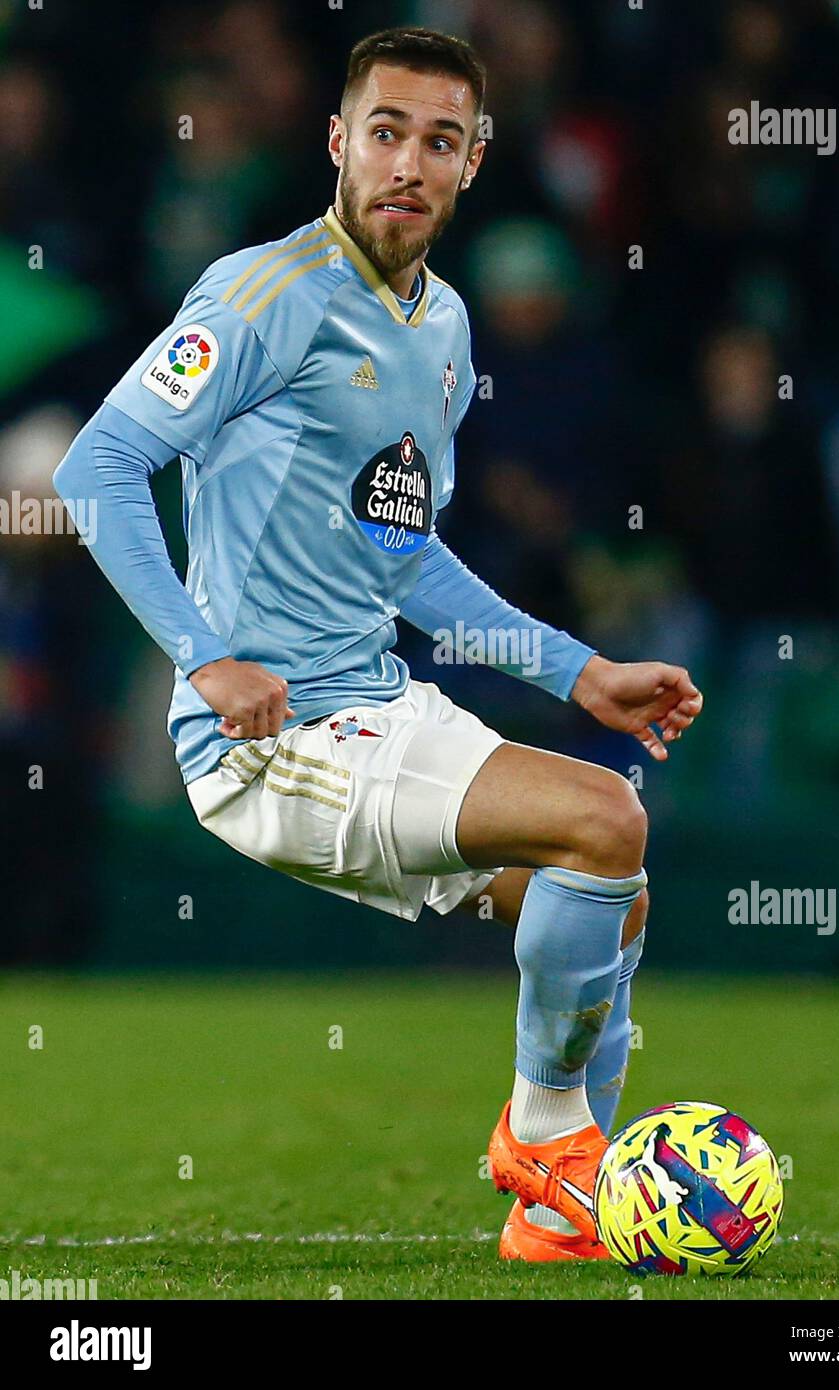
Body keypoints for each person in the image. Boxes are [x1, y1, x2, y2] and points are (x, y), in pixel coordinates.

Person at [53, 26, 703, 1262]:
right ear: (339, 140)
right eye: (388, 131)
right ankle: (550, 1142)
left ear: (471, 163)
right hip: (269, 734)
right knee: (603, 820)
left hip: (380, 705)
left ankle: (554, 1222)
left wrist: (582, 671)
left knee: (602, 903)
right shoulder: (261, 296)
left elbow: (402, 556)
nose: (409, 160)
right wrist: (204, 656)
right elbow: (97, 470)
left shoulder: (442, 327)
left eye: (440, 140)